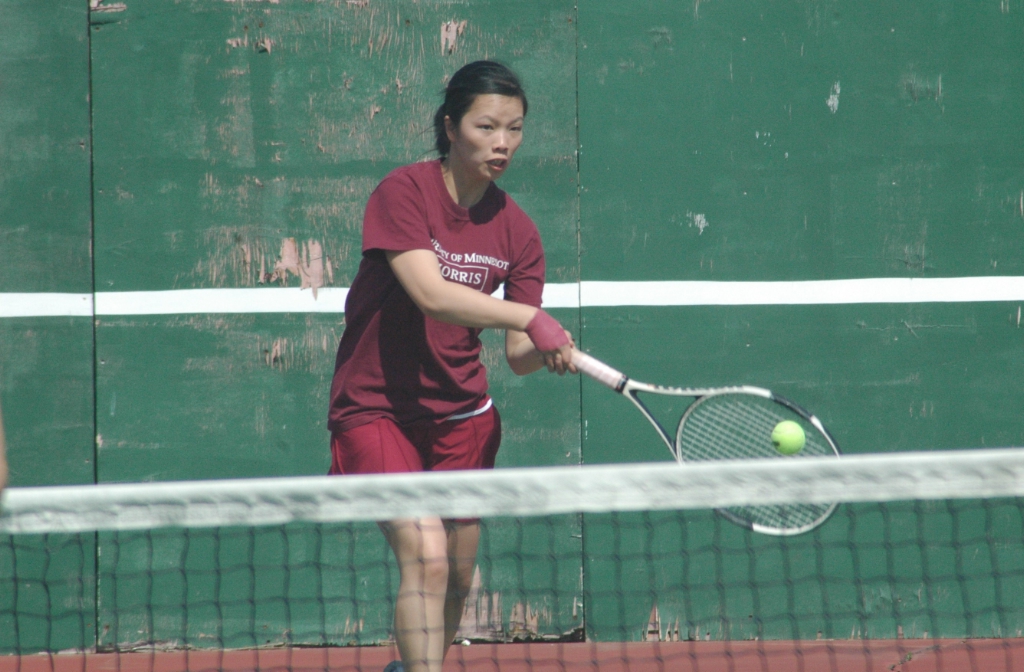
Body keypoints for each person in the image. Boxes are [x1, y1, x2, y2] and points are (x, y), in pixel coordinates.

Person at [326, 61, 574, 672]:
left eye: (514, 129)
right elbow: (431, 294)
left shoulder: (519, 232)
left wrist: (548, 348)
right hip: (375, 409)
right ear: (450, 126)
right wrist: (524, 318)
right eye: (487, 126)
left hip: (463, 415)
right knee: (427, 558)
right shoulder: (403, 193)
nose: (502, 143)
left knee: (458, 575)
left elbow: (518, 359)